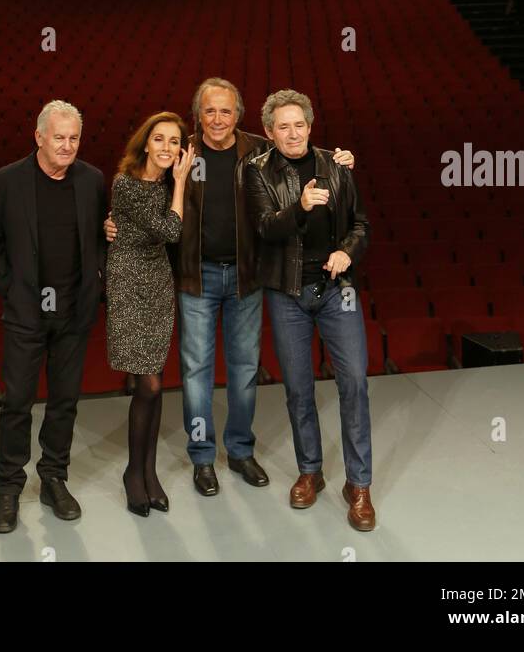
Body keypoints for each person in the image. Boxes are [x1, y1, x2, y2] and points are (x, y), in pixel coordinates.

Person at [104, 77, 355, 498]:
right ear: (197, 116)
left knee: (243, 370)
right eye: (209, 110)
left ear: (237, 115)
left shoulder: (258, 149)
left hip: (246, 277)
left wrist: (339, 158)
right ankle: (203, 458)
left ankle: (239, 450)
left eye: (225, 111)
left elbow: (301, 152)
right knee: (197, 372)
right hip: (194, 276)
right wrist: (112, 224)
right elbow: (140, 189)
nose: (217, 119)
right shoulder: (181, 151)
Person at [243, 89, 375, 531]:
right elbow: (264, 228)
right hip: (286, 293)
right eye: (283, 126)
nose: (293, 133)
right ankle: (311, 470)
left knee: (354, 382)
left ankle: (359, 486)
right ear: (269, 132)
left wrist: (348, 253)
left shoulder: (336, 165)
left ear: (310, 126)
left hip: (338, 290)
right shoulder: (257, 170)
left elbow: (360, 224)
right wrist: (297, 207)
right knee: (299, 388)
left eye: (299, 124)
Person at [0, 99, 107, 534]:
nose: (67, 146)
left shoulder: (92, 180)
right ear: (39, 138)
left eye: (73, 138)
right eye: (59, 138)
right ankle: (10, 488)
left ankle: (54, 477)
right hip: (27, 314)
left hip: (74, 311)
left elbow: (99, 241)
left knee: (65, 402)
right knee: (16, 403)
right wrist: (12, 289)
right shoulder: (7, 181)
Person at [106, 112, 195, 516]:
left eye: (174, 142)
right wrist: (180, 184)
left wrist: (175, 186)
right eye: (159, 139)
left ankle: (148, 472)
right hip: (129, 286)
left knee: (154, 383)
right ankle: (133, 473)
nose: (166, 148)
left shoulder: (162, 184)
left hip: (158, 284)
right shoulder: (127, 185)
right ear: (146, 143)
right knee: (151, 386)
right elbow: (171, 230)